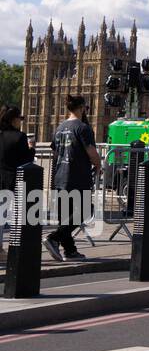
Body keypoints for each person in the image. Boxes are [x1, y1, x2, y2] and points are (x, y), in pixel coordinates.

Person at [46, 95, 101, 261]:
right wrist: (98, 165)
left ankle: (70, 251)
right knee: (85, 210)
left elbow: (55, 154)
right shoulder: (83, 128)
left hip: (60, 176)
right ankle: (54, 238)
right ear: (82, 108)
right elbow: (91, 152)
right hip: (77, 176)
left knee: (65, 215)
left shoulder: (59, 128)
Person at [0, 106, 33, 243]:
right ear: (14, 120)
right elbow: (26, 160)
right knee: (17, 215)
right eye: (20, 118)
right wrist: (32, 148)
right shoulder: (20, 137)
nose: (21, 121)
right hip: (12, 179)